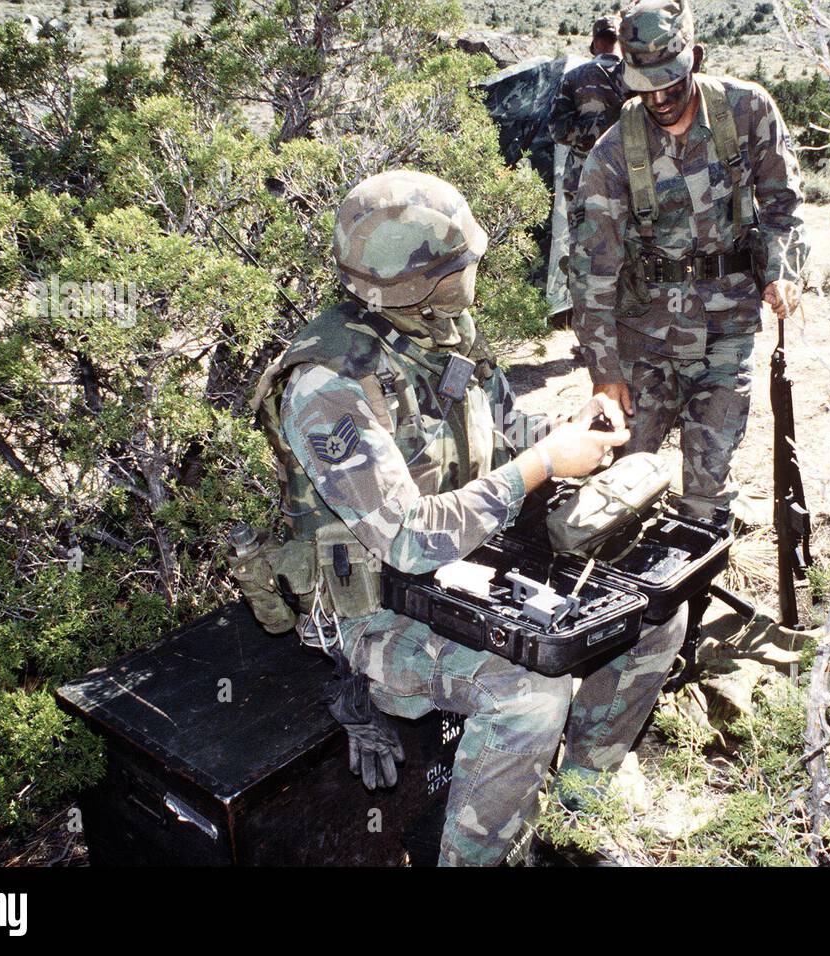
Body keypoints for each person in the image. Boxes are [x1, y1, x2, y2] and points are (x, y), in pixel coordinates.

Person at [252, 169, 688, 866]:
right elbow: (405, 539)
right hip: (372, 616)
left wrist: (568, 433)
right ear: (420, 284)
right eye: (461, 264)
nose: (474, 269)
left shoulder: (440, 332)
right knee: (527, 695)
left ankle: (576, 814)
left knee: (656, 612)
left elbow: (504, 429)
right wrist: (542, 464)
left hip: (464, 566)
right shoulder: (328, 385)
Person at [569, 0, 808, 524]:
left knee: (707, 487)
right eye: (644, 86)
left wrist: (782, 271)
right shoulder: (612, 156)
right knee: (617, 491)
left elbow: (783, 205)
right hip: (644, 339)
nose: (657, 99)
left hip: (727, 330)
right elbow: (592, 271)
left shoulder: (749, 111)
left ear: (695, 59)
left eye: (670, 84)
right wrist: (605, 372)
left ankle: (692, 583)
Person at [547, 16, 632, 235]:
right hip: (631, 176)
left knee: (585, 247)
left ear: (594, 44)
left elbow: (558, 131)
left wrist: (593, 130)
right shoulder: (637, 78)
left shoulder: (574, 78)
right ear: (621, 42)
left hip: (584, 179)